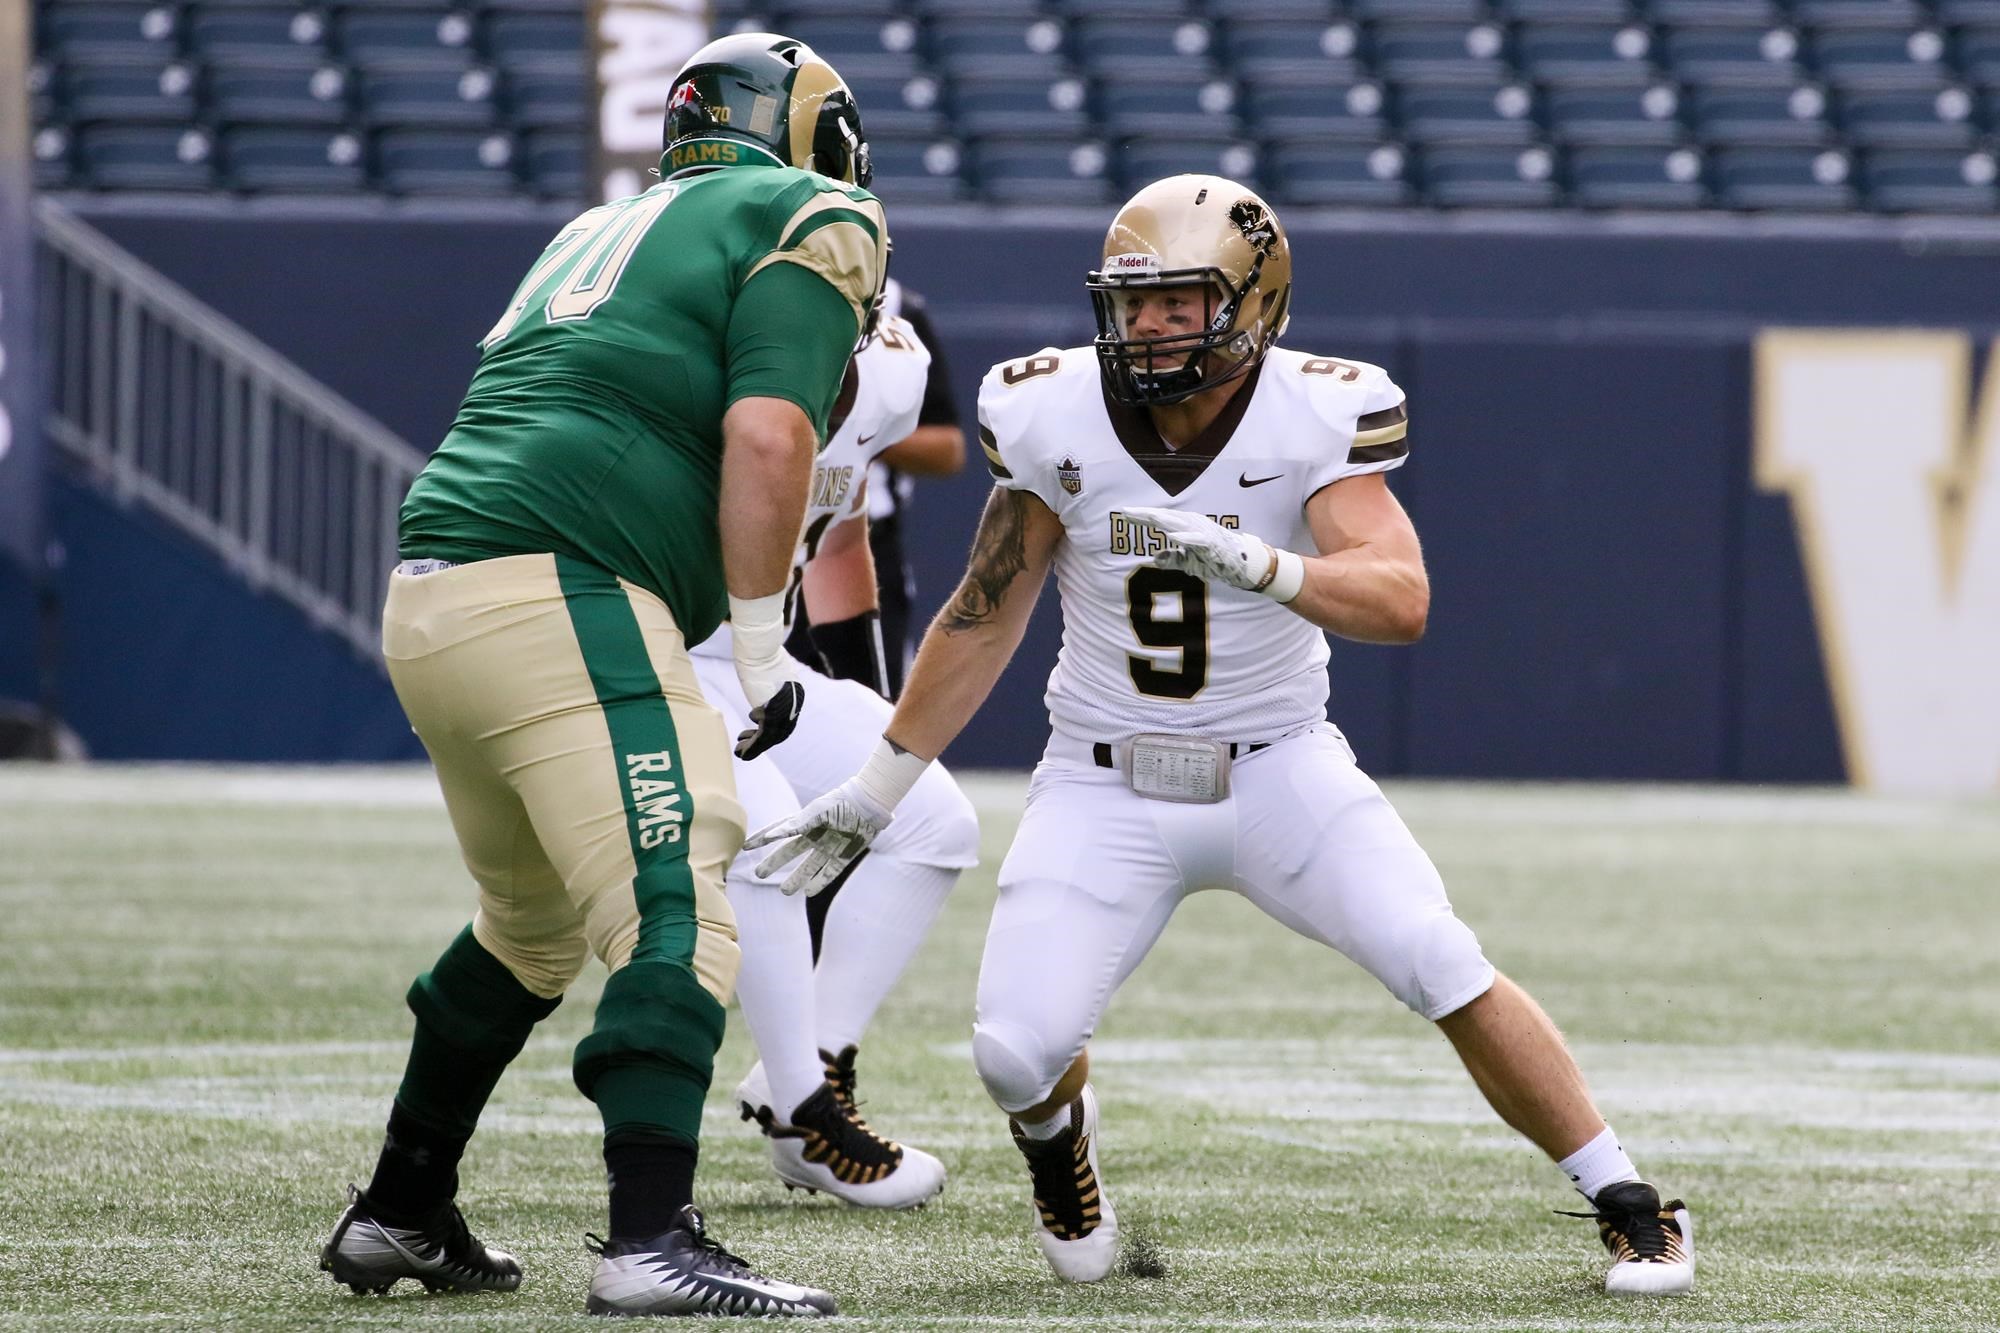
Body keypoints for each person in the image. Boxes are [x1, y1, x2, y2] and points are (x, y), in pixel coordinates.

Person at [747, 174, 1696, 1298]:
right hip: (1100, 782)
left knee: (1437, 957)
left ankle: (1632, 1201)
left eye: (1175, 302)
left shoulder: (1313, 412)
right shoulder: (1053, 411)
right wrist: (877, 785)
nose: (1144, 327)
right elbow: (983, 607)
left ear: (1252, 302)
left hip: (1277, 766)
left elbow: (1400, 598)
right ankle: (1062, 1147)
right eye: (1130, 302)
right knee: (1012, 1052)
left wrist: (1259, 562)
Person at [318, 31, 886, 1319]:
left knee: (527, 932)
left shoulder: (598, 225)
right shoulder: (812, 209)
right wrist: (757, 643)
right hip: (560, 580)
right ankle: (648, 1237)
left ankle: (402, 1206)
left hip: (438, 589)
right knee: (680, 896)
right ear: (808, 135)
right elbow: (768, 426)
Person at [690, 306, 977, 1208]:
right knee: (767, 827)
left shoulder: (892, 367)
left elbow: (840, 535)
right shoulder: (694, 351)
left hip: (753, 660)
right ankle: (811, 1115)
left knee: (930, 815)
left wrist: (865, 700)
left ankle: (801, 1073)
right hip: (646, 635)